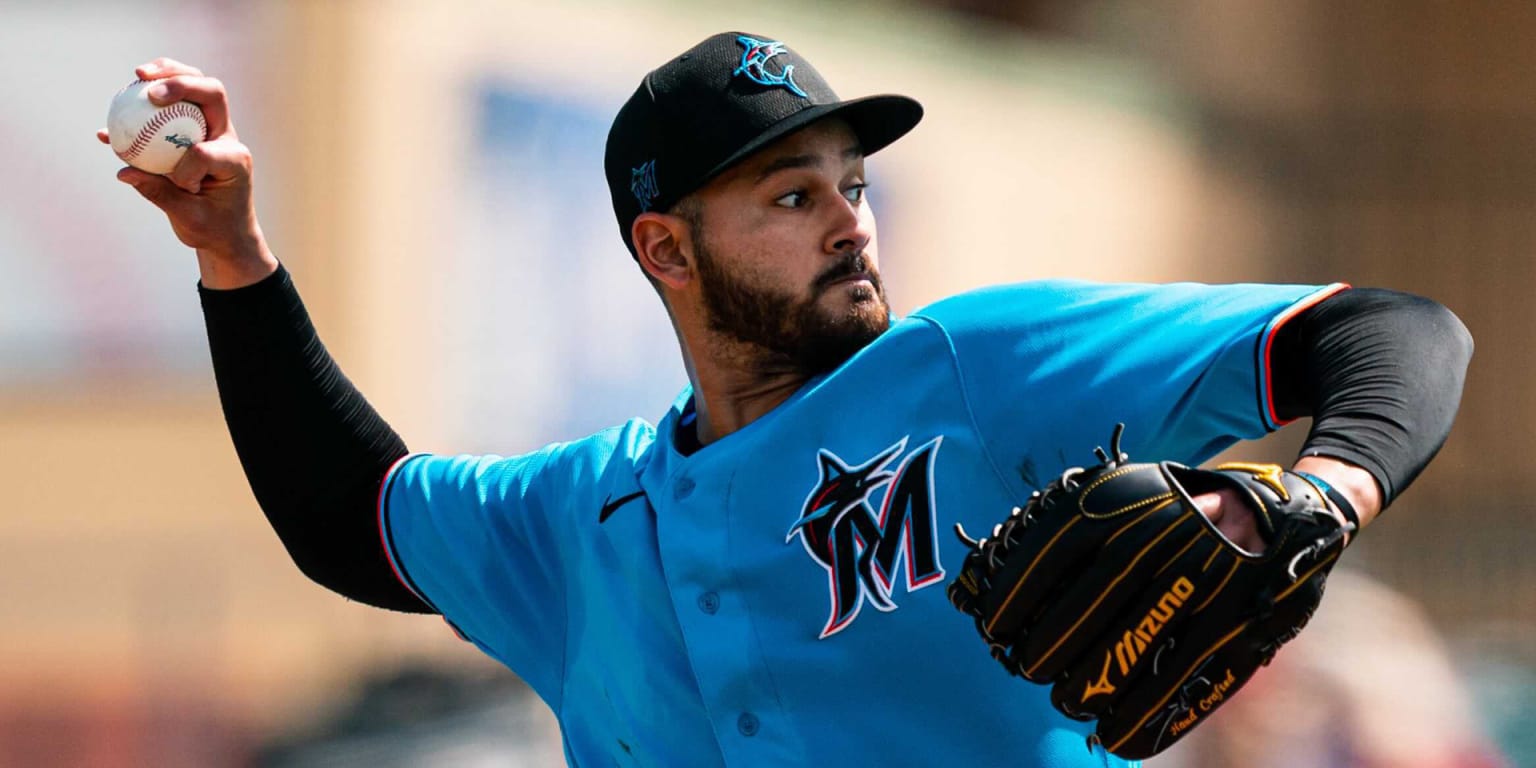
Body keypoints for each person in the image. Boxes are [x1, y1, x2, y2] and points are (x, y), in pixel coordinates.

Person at [104, 31, 1471, 768]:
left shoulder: (976, 366)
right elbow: (352, 518)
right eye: (792, 195)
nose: (850, 222)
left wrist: (1317, 494)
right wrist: (232, 253)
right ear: (666, 249)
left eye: (852, 186)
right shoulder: (583, 516)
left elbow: (1386, 332)